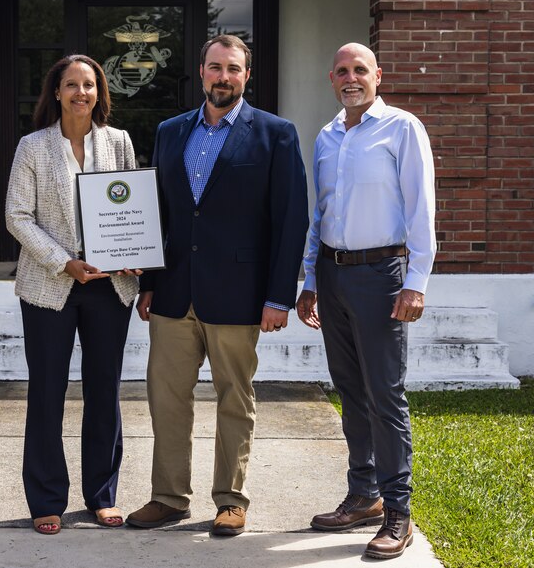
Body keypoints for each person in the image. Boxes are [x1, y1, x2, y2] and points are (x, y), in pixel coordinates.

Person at [126, 34, 308, 537]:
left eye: (233, 68)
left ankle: (230, 499)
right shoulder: (170, 131)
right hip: (174, 292)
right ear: (201, 71)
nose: (223, 77)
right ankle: (168, 496)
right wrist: (149, 282)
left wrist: (278, 295)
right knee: (165, 398)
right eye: (214, 67)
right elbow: (161, 214)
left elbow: (290, 220)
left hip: (240, 292)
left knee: (235, 398)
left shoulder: (276, 133)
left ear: (247, 75)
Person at [295, 42, 436, 560]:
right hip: (333, 277)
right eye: (342, 71)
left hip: (383, 275)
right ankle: (364, 495)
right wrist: (309, 280)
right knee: (350, 393)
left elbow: (422, 208)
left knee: (385, 396)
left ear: (378, 76)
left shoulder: (402, 128)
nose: (351, 78)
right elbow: (320, 214)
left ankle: (399, 511)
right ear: (331, 78)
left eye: (361, 70)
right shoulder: (327, 137)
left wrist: (415, 281)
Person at [5, 54, 139, 536]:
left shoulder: (118, 142)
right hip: (50, 285)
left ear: (100, 92)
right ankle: (46, 498)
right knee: (47, 391)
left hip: (109, 286)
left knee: (105, 390)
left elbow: (133, 206)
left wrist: (134, 250)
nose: (81, 93)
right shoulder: (32, 146)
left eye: (89, 85)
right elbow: (16, 216)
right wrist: (64, 261)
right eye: (71, 85)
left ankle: (102, 495)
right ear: (56, 92)